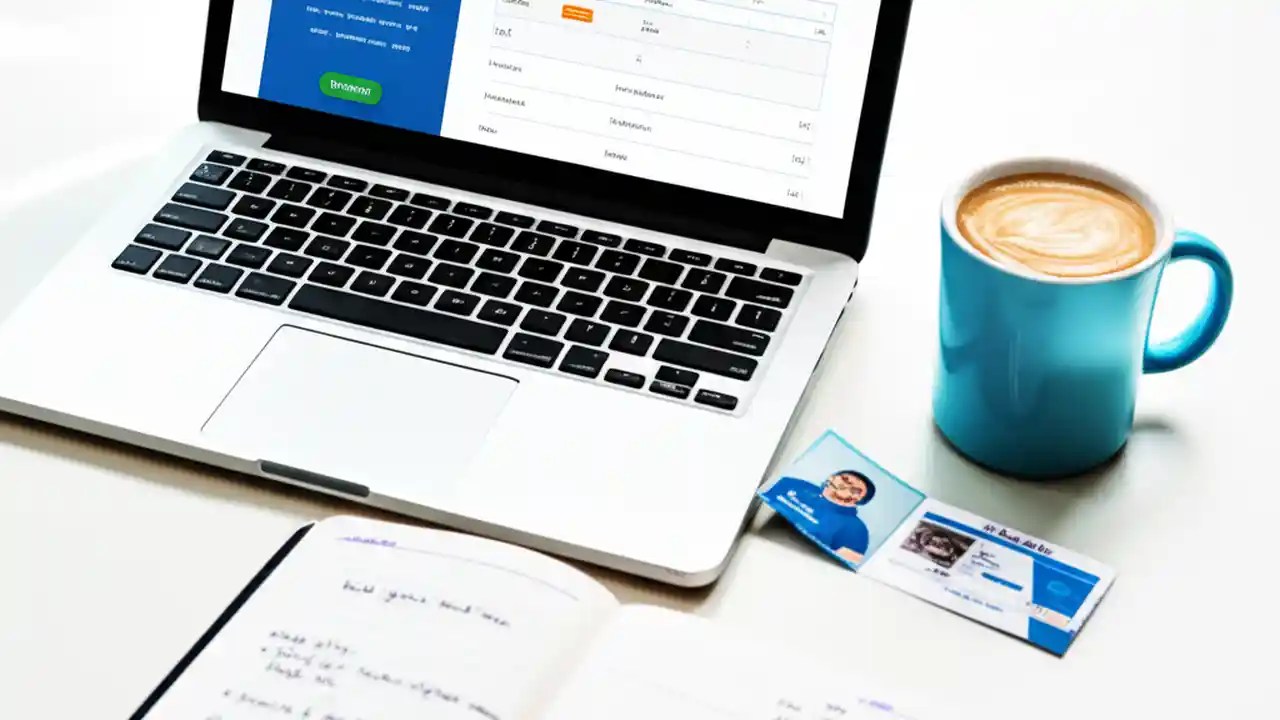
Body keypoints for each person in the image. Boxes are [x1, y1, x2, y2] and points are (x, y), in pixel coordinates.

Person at [764, 469, 877, 564]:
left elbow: (841, 565)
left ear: (858, 500)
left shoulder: (855, 528)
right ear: (832, 477)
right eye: (845, 479)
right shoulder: (793, 484)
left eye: (855, 490)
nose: (845, 485)